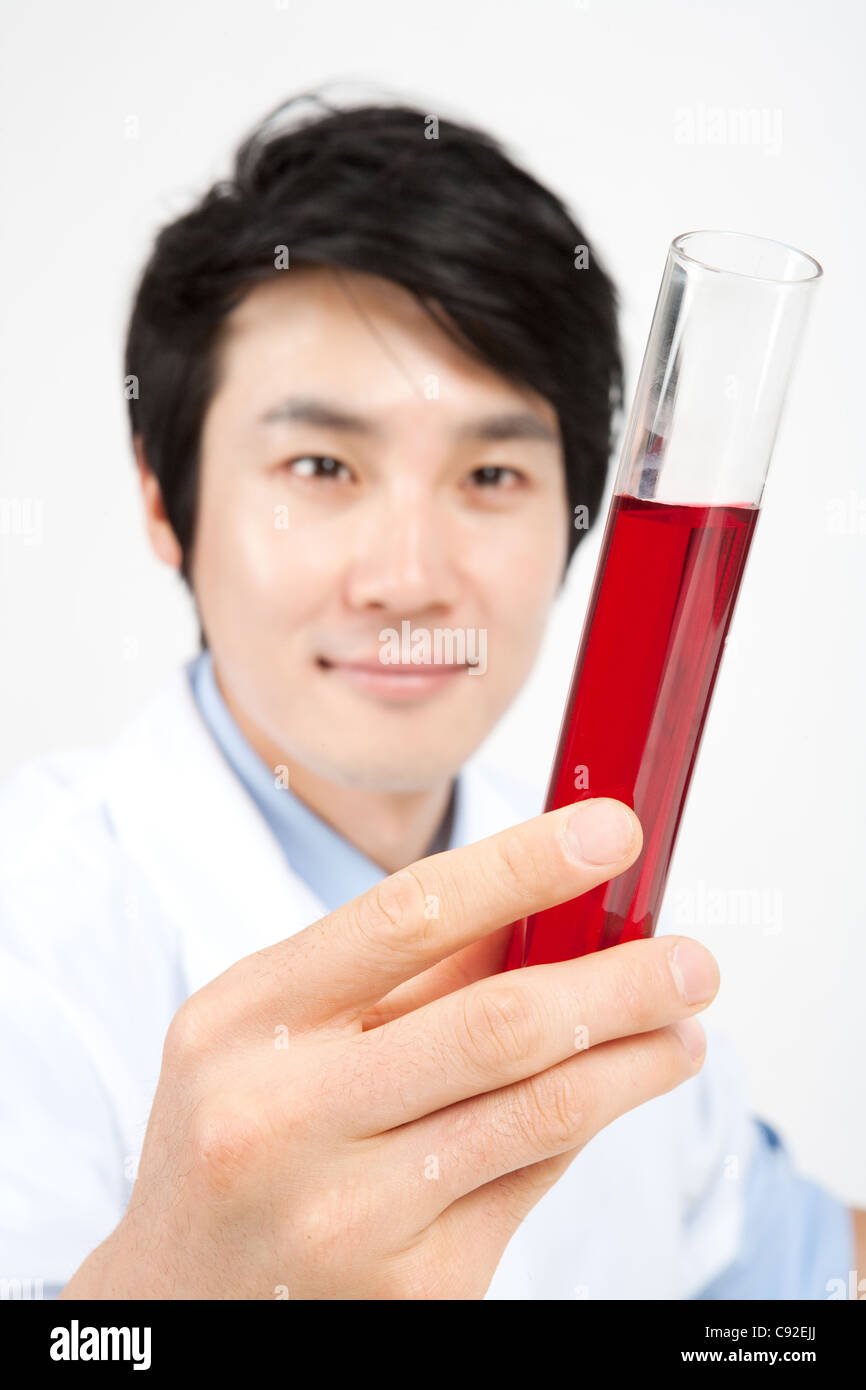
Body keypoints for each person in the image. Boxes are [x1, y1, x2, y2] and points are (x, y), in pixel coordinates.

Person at [1, 92, 860, 1301]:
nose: (408, 578)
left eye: (491, 471)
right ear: (163, 499)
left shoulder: (599, 900)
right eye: (321, 467)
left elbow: (782, 1273)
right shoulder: (32, 946)